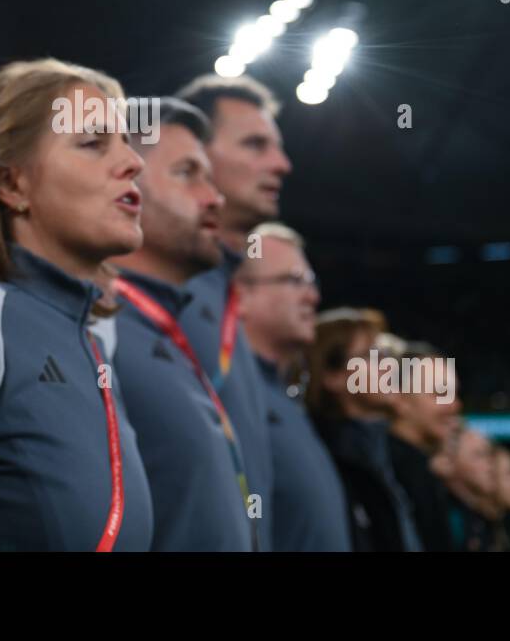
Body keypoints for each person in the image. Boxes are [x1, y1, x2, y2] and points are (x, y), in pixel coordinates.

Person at [0, 59, 153, 551]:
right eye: (92, 142)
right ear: (13, 185)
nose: (133, 161)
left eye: (127, 141)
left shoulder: (95, 339)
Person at [108, 98, 258, 550]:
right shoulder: (94, 325)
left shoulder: (166, 331)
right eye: (188, 174)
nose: (214, 198)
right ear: (123, 183)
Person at [169, 74, 294, 548]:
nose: (281, 164)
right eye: (256, 145)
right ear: (194, 153)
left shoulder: (223, 296)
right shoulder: (157, 289)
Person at [236, 222, 351, 551]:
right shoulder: (231, 393)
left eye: (311, 282)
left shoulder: (284, 397)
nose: (313, 296)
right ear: (241, 294)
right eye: (294, 281)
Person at [303, 307, 423, 551]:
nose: (390, 366)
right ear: (332, 377)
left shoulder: (391, 455)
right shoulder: (324, 460)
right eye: (373, 356)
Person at [386, 338, 461, 552]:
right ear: (399, 398)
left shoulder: (420, 471)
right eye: (441, 393)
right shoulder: (389, 474)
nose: (455, 405)